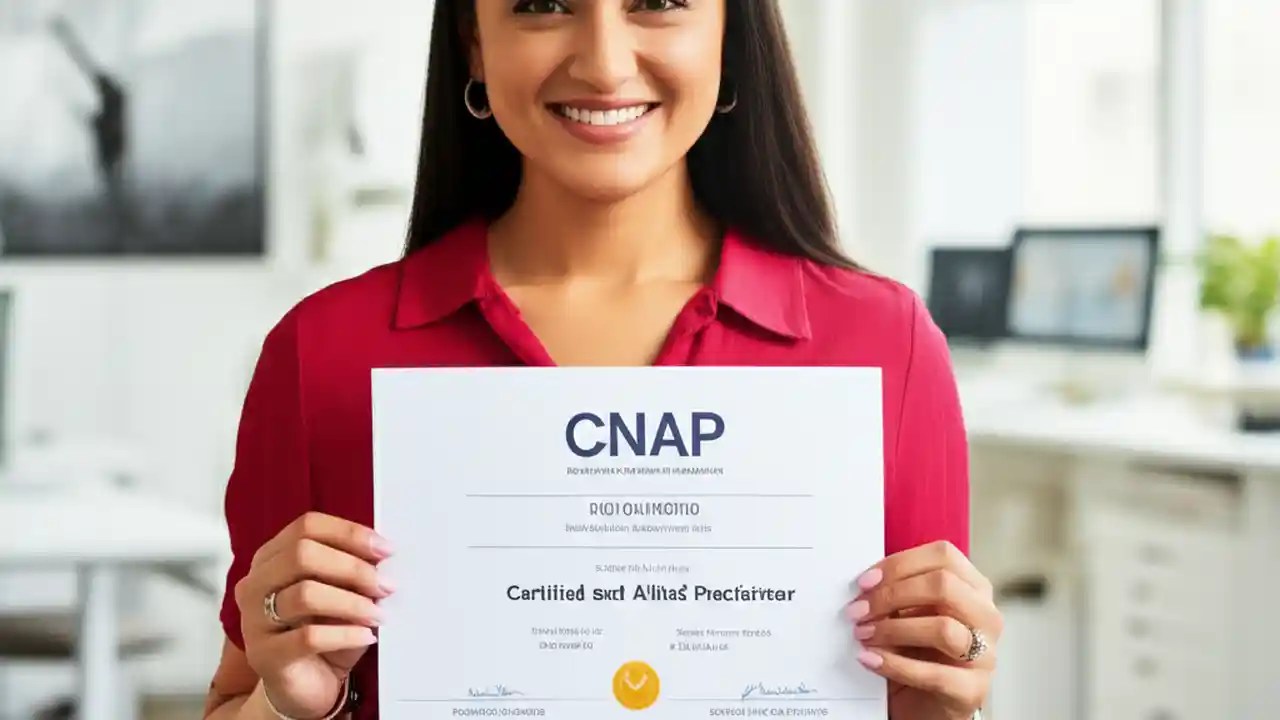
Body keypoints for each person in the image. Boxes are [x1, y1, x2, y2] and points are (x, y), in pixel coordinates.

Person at [204, 1, 1002, 718]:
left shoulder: (883, 345)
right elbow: (236, 700)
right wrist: (290, 705)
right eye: (543, 4)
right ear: (474, 42)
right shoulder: (324, 354)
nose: (605, 63)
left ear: (730, 35)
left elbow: (922, 690)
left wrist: (942, 708)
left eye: (657, 2)